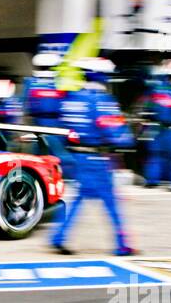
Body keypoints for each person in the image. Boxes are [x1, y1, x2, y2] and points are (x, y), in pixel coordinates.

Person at [51, 58, 136, 257]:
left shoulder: (71, 99)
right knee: (111, 202)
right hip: (96, 159)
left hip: (76, 157)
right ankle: (122, 243)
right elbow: (116, 132)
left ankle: (58, 237)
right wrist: (128, 139)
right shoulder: (103, 101)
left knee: (79, 198)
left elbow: (63, 128)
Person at [23, 51, 65, 129]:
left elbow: (25, 103)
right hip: (36, 121)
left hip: (55, 121)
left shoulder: (61, 82)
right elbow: (25, 103)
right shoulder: (30, 82)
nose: (46, 69)